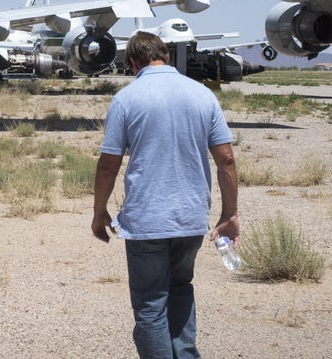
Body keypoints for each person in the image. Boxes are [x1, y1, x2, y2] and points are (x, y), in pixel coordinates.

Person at [91, 31, 238, 359]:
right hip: (190, 219)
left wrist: (100, 211)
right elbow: (226, 158)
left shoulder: (127, 99)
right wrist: (230, 214)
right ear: (167, 57)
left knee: (150, 306)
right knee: (181, 289)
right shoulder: (202, 95)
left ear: (132, 63)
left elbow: (108, 164)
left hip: (146, 221)